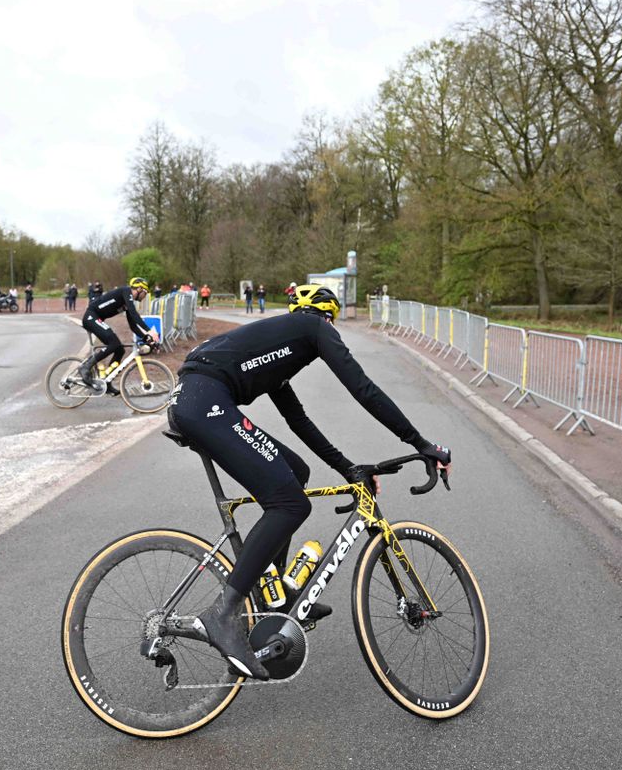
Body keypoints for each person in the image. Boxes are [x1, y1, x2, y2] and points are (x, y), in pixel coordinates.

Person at [167, 283, 451, 679]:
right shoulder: (314, 328)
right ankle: (223, 613)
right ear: (327, 316)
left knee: (296, 474)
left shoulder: (278, 350)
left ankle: (276, 595)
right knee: (290, 504)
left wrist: (347, 468)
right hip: (204, 401)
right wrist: (421, 443)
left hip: (196, 398)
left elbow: (298, 420)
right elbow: (364, 390)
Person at [81, 276, 160, 389]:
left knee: (120, 350)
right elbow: (134, 314)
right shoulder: (126, 291)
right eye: (145, 292)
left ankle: (107, 382)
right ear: (139, 289)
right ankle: (86, 367)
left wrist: (145, 338)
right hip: (91, 316)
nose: (145, 295)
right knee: (114, 343)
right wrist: (149, 331)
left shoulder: (127, 302)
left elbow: (133, 325)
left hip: (96, 319)